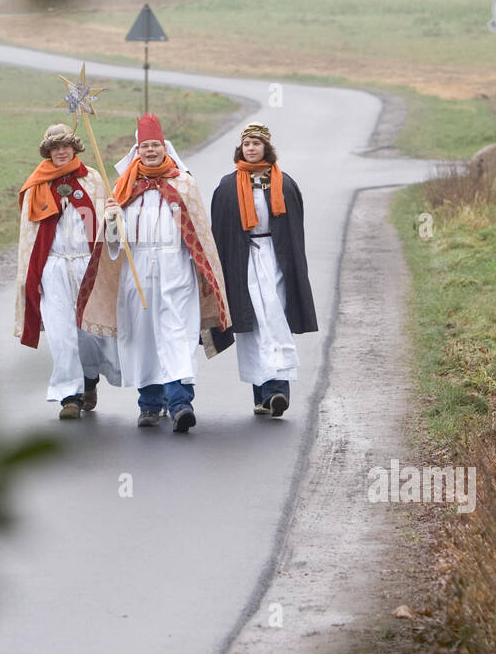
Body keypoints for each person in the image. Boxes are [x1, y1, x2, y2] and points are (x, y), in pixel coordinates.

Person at [77, 113, 230, 432]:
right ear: (137, 149)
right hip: (138, 272)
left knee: (176, 333)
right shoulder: (123, 186)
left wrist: (205, 274)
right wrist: (111, 221)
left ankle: (180, 403)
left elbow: (200, 235)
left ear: (165, 147)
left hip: (176, 271)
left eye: (155, 146)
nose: (150, 151)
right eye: (144, 146)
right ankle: (149, 403)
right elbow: (113, 245)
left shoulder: (183, 183)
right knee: (143, 336)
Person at [209, 122, 317, 417]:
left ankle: (277, 391)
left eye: (256, 143)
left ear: (266, 148)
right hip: (243, 261)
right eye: (247, 144)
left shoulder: (285, 184)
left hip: (274, 258)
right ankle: (261, 394)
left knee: (274, 319)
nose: (251, 148)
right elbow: (219, 232)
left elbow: (295, 231)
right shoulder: (228, 186)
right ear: (241, 148)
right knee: (252, 324)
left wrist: (293, 265)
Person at [16, 123, 120, 420]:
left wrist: (113, 215)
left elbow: (107, 230)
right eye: (54, 147)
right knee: (62, 334)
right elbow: (29, 234)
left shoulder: (93, 179)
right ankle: (68, 396)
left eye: (65, 146)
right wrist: (31, 275)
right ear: (48, 151)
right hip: (54, 265)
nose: (60, 151)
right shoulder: (37, 184)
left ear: (74, 148)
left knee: (89, 332)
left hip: (87, 262)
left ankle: (89, 381)